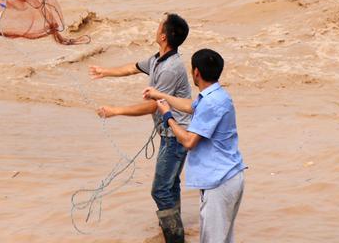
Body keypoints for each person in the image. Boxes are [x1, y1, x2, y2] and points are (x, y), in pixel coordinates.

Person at [89, 13, 191, 243]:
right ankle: (174, 232)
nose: (156, 29)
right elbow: (132, 68)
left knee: (160, 190)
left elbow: (153, 107)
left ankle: (175, 238)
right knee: (170, 185)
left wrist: (115, 111)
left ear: (163, 36)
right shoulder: (159, 59)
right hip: (170, 133)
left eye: (158, 27)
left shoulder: (170, 69)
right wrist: (105, 72)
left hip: (176, 135)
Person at [143, 49, 246, 243]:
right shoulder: (217, 95)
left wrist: (168, 117)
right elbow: (190, 106)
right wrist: (159, 95)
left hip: (219, 182)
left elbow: (189, 141)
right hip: (230, 176)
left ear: (195, 72)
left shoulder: (211, 103)